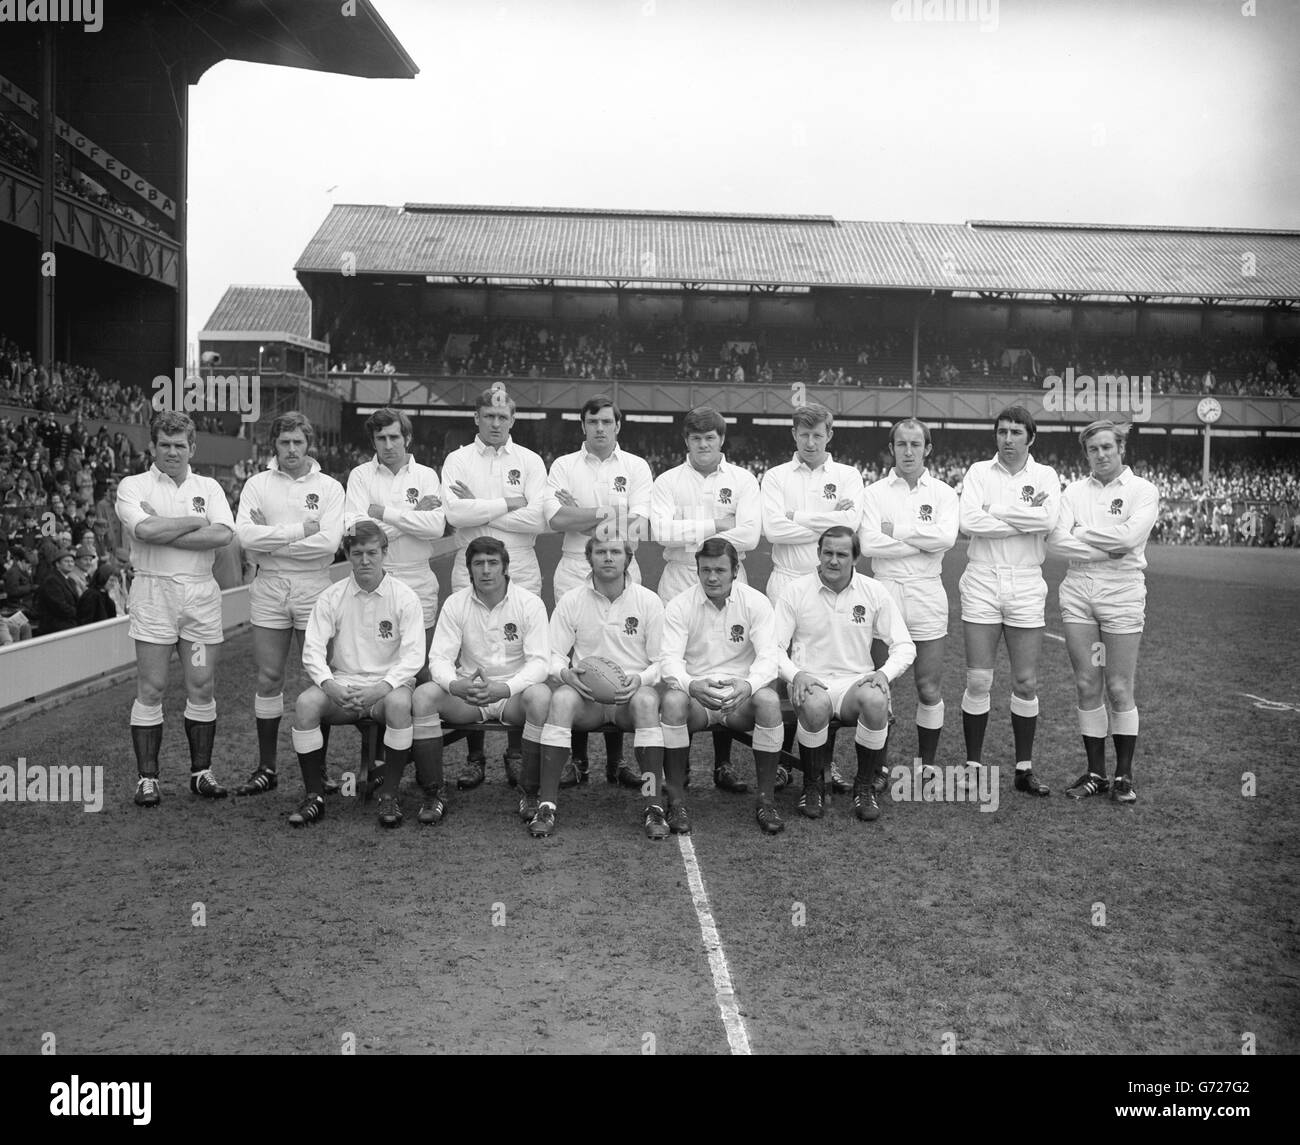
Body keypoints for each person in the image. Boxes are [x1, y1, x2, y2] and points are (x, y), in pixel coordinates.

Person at [115, 410, 235, 808]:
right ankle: (147, 779)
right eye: (164, 444)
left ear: (192, 447)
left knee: (201, 684)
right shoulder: (133, 486)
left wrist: (163, 528)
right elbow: (142, 531)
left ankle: (201, 774)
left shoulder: (210, 486)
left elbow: (221, 535)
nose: (171, 451)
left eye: (179, 445)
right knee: (152, 688)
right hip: (154, 595)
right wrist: (190, 521)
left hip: (199, 598)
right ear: (152, 446)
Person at [234, 412, 346, 797]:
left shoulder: (330, 487)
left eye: (299, 442)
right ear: (275, 446)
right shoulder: (256, 484)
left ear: (309, 443)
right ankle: (266, 767)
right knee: (269, 678)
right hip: (268, 585)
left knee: (319, 677)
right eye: (285, 443)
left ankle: (321, 768)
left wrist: (272, 536)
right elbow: (246, 538)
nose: (292, 449)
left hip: (315, 585)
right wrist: (301, 530)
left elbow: (330, 543)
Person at [544, 395, 654, 788]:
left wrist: (586, 513)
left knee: (621, 654)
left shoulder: (636, 466)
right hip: (574, 566)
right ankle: (576, 760)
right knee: (577, 658)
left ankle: (617, 760)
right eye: (593, 422)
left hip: (622, 565)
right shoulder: (564, 465)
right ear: (583, 425)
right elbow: (556, 518)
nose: (601, 428)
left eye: (607, 421)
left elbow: (636, 531)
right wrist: (610, 514)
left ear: (618, 425)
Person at [651, 406, 761, 794]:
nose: (702, 445)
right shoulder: (667, 480)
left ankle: (724, 764)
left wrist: (690, 531)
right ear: (686, 441)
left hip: (729, 577)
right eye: (696, 438)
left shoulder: (743, 479)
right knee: (675, 666)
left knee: (726, 661)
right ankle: (672, 767)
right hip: (679, 577)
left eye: (709, 438)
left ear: (721, 439)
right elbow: (660, 532)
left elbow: (749, 537)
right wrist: (717, 525)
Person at [1047, 420, 1158, 804]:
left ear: (1121, 448)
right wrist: (1097, 543)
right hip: (1078, 590)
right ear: (1086, 453)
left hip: (1122, 590)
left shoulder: (1143, 490)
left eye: (1107, 447)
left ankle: (1123, 774)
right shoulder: (1074, 490)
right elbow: (1056, 540)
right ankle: (1095, 772)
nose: (1101, 454)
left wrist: (1081, 532)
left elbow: (1129, 540)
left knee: (1118, 686)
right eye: (1094, 449)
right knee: (1086, 684)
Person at [441, 388, 547, 788]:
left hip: (521, 564)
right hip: (468, 566)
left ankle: (517, 753)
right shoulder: (458, 460)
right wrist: (509, 503)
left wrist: (482, 506)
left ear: (513, 419)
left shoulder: (530, 461)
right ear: (476, 418)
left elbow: (538, 519)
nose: (496, 423)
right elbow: (454, 513)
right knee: (471, 658)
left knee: (522, 658)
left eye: (503, 417)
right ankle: (474, 757)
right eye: (488, 416)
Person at [774, 526, 916, 825]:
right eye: (828, 553)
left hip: (855, 682)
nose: (834, 561)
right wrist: (795, 674)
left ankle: (864, 788)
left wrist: (883, 674)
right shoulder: (796, 591)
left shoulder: (874, 591)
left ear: (855, 558)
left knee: (876, 699)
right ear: (818, 554)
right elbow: (772, 648)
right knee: (814, 704)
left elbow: (904, 646)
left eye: (842, 554)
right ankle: (812, 786)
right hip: (810, 680)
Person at [530, 535, 666, 839]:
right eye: (600, 552)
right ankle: (547, 803)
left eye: (615, 552)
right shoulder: (572, 600)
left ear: (627, 559)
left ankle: (653, 804)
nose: (608, 557)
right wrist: (566, 675)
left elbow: (661, 661)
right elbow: (551, 655)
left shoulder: (648, 601)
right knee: (562, 700)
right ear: (589, 559)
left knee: (647, 702)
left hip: (628, 699)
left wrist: (640, 680)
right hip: (587, 699)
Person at [291, 520, 425, 828]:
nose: (365, 560)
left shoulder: (404, 596)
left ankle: (389, 795)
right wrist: (330, 685)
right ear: (348, 555)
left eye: (372, 553)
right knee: (306, 704)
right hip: (345, 686)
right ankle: (314, 796)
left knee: (400, 705)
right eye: (358, 553)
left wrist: (382, 687)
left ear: (384, 553)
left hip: (388, 686)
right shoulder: (331, 596)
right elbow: (311, 650)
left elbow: (415, 655)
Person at [410, 537, 552, 826]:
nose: (486, 570)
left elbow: (540, 662)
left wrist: (505, 688)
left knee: (540, 697)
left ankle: (531, 792)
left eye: (492, 563)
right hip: (469, 695)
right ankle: (433, 793)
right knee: (424, 696)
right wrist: (455, 685)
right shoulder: (455, 603)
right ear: (469, 569)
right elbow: (438, 659)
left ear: (505, 567)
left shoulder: (529, 603)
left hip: (512, 696)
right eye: (478, 564)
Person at [957, 405, 1060, 796]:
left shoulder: (1046, 475)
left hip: (1026, 581)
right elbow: (969, 523)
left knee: (1025, 681)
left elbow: (1047, 521)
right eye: (1002, 432)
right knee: (979, 679)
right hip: (982, 576)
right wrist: (1022, 516)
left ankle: (1023, 769)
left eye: (1017, 432)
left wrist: (994, 511)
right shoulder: (979, 472)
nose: (1008, 439)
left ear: (1030, 438)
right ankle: (972, 766)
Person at [658, 538, 784, 835]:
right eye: (705, 570)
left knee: (768, 700)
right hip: (698, 699)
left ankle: (766, 800)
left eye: (719, 570)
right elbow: (669, 661)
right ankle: (676, 801)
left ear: (735, 571)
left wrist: (748, 685)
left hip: (739, 699)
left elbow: (769, 658)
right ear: (697, 571)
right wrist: (691, 685)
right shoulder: (679, 605)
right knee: (673, 701)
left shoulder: (756, 602)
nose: (712, 577)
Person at [858, 418, 958, 787]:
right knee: (881, 685)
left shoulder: (945, 494)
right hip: (884, 591)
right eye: (902, 444)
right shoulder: (874, 493)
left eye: (916, 444)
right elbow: (869, 545)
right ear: (892, 448)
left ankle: (926, 766)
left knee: (928, 687)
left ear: (928, 449)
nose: (909, 451)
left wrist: (896, 533)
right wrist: (921, 540)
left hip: (928, 592)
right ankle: (879, 766)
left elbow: (946, 537)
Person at [759, 402, 864, 605]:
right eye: (804, 435)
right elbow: (773, 530)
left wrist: (796, 518)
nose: (810, 443)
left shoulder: (849, 475)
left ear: (829, 436)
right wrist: (833, 526)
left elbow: (851, 525)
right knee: (782, 638)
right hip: (786, 581)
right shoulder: (775, 476)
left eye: (817, 436)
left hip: (835, 582)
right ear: (794, 434)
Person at [36, 548, 80, 633]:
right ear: (57, 564)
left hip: (70, 620)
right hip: (56, 625)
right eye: (66, 561)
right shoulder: (51, 581)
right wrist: (79, 613)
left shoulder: (71, 580)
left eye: (72, 561)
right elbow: (59, 606)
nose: (70, 564)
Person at [76, 560, 118, 625]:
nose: (113, 584)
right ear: (103, 578)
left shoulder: (107, 598)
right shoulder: (91, 596)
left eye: (115, 581)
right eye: (111, 580)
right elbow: (85, 622)